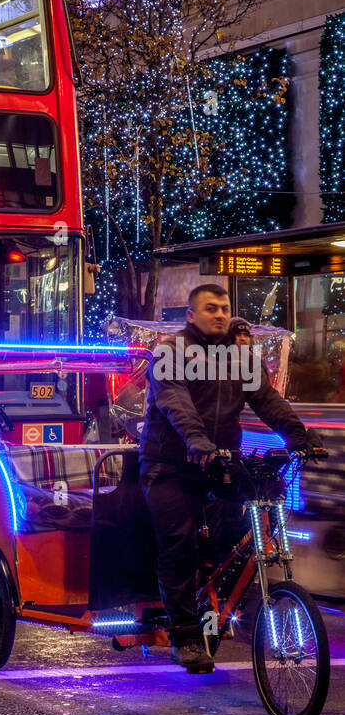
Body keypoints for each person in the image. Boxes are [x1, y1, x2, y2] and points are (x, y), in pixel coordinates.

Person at [139, 283, 320, 674]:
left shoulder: (242, 357)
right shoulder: (171, 352)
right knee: (179, 543)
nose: (219, 314)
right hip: (170, 464)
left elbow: (269, 401)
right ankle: (185, 636)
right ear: (191, 315)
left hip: (220, 461)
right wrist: (197, 440)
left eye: (224, 308)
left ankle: (233, 604)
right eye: (210, 308)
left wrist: (300, 436)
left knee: (245, 529)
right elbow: (176, 403)